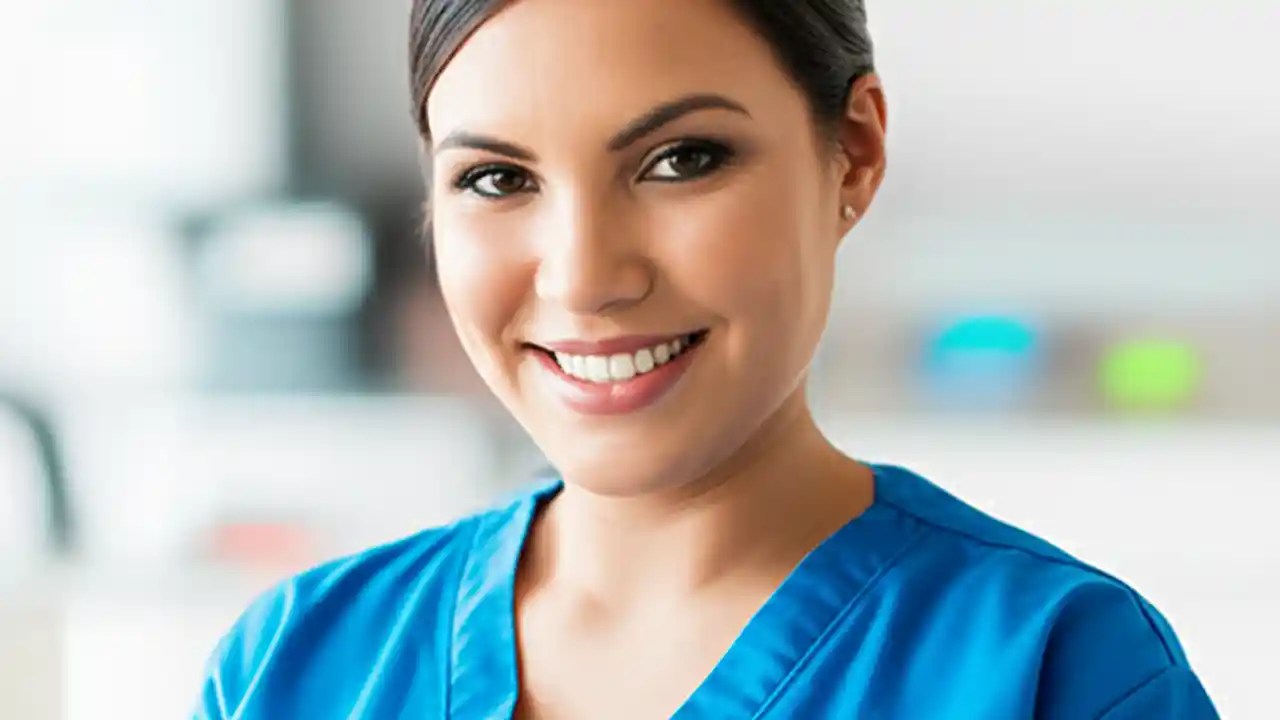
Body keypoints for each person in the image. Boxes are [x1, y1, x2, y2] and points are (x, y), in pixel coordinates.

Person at [196, 0, 1219, 717]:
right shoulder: (294, 668)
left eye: (680, 160)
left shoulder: (1055, 674)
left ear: (851, 154)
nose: (583, 276)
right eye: (498, 179)